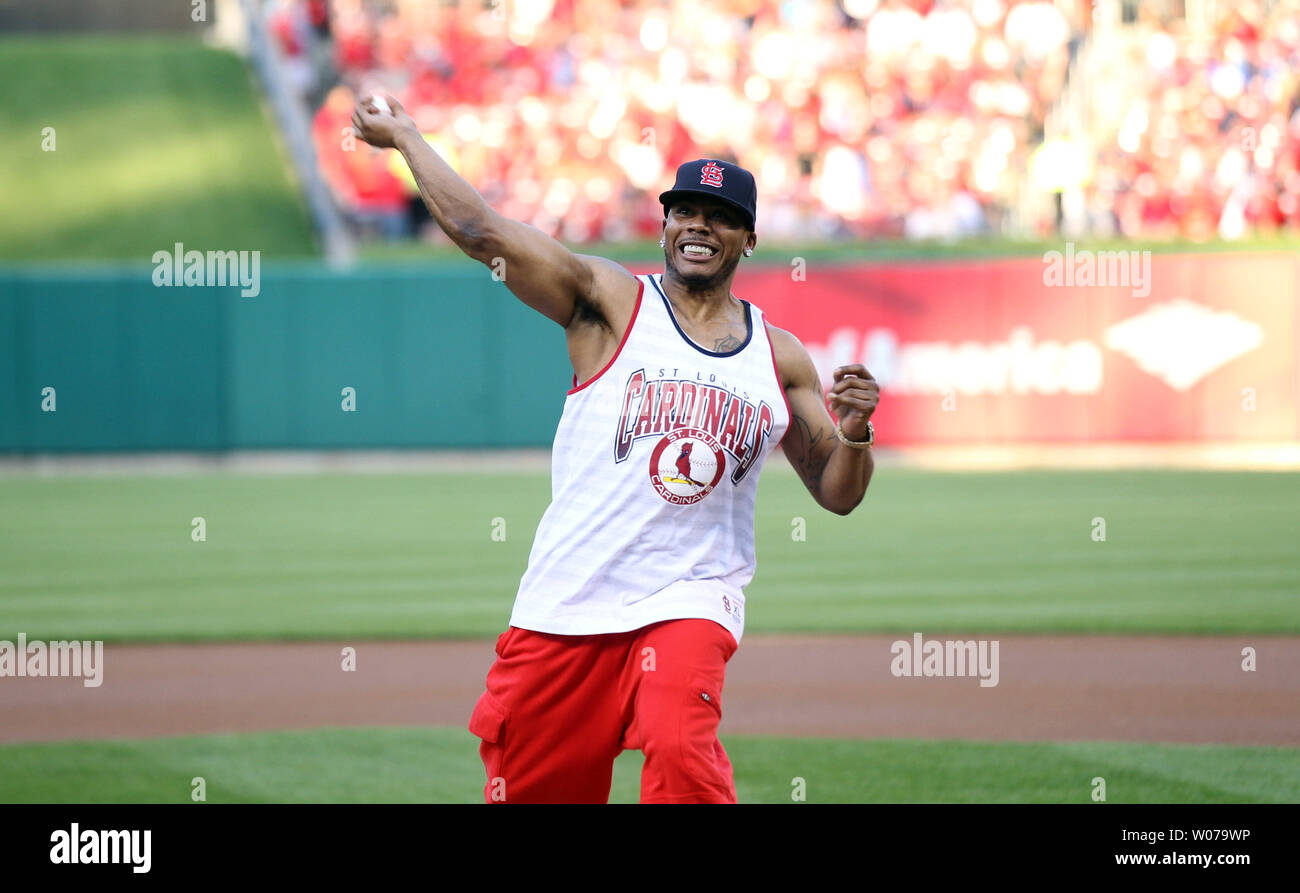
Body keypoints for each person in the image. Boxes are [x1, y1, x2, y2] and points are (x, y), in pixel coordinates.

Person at [352, 95, 880, 804]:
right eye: (685, 210)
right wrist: (407, 138)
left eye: (720, 217)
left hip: (690, 598)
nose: (699, 225)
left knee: (679, 748)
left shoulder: (778, 357)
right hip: (568, 605)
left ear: (748, 238)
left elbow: (838, 491)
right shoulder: (611, 301)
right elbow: (482, 231)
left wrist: (854, 434)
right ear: (664, 222)